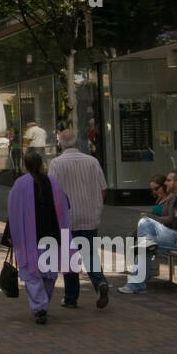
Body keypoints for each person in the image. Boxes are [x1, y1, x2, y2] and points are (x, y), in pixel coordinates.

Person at [48, 128, 110, 309]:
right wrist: (96, 206)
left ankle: (71, 297)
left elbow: (53, 191)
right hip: (90, 215)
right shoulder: (92, 161)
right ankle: (100, 282)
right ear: (77, 142)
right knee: (90, 253)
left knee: (69, 257)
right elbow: (103, 188)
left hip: (67, 217)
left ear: (60, 143)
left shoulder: (56, 163)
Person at [7, 150, 71, 324]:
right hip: (52, 234)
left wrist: (11, 234)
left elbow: (13, 211)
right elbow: (66, 204)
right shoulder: (53, 182)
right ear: (42, 164)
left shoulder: (20, 184)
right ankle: (43, 303)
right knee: (49, 273)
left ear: (25, 166)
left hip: (30, 238)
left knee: (32, 273)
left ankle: (39, 306)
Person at [119, 171, 177, 294]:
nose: (165, 183)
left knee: (145, 244)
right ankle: (137, 283)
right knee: (145, 225)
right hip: (174, 235)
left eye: (168, 180)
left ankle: (136, 285)